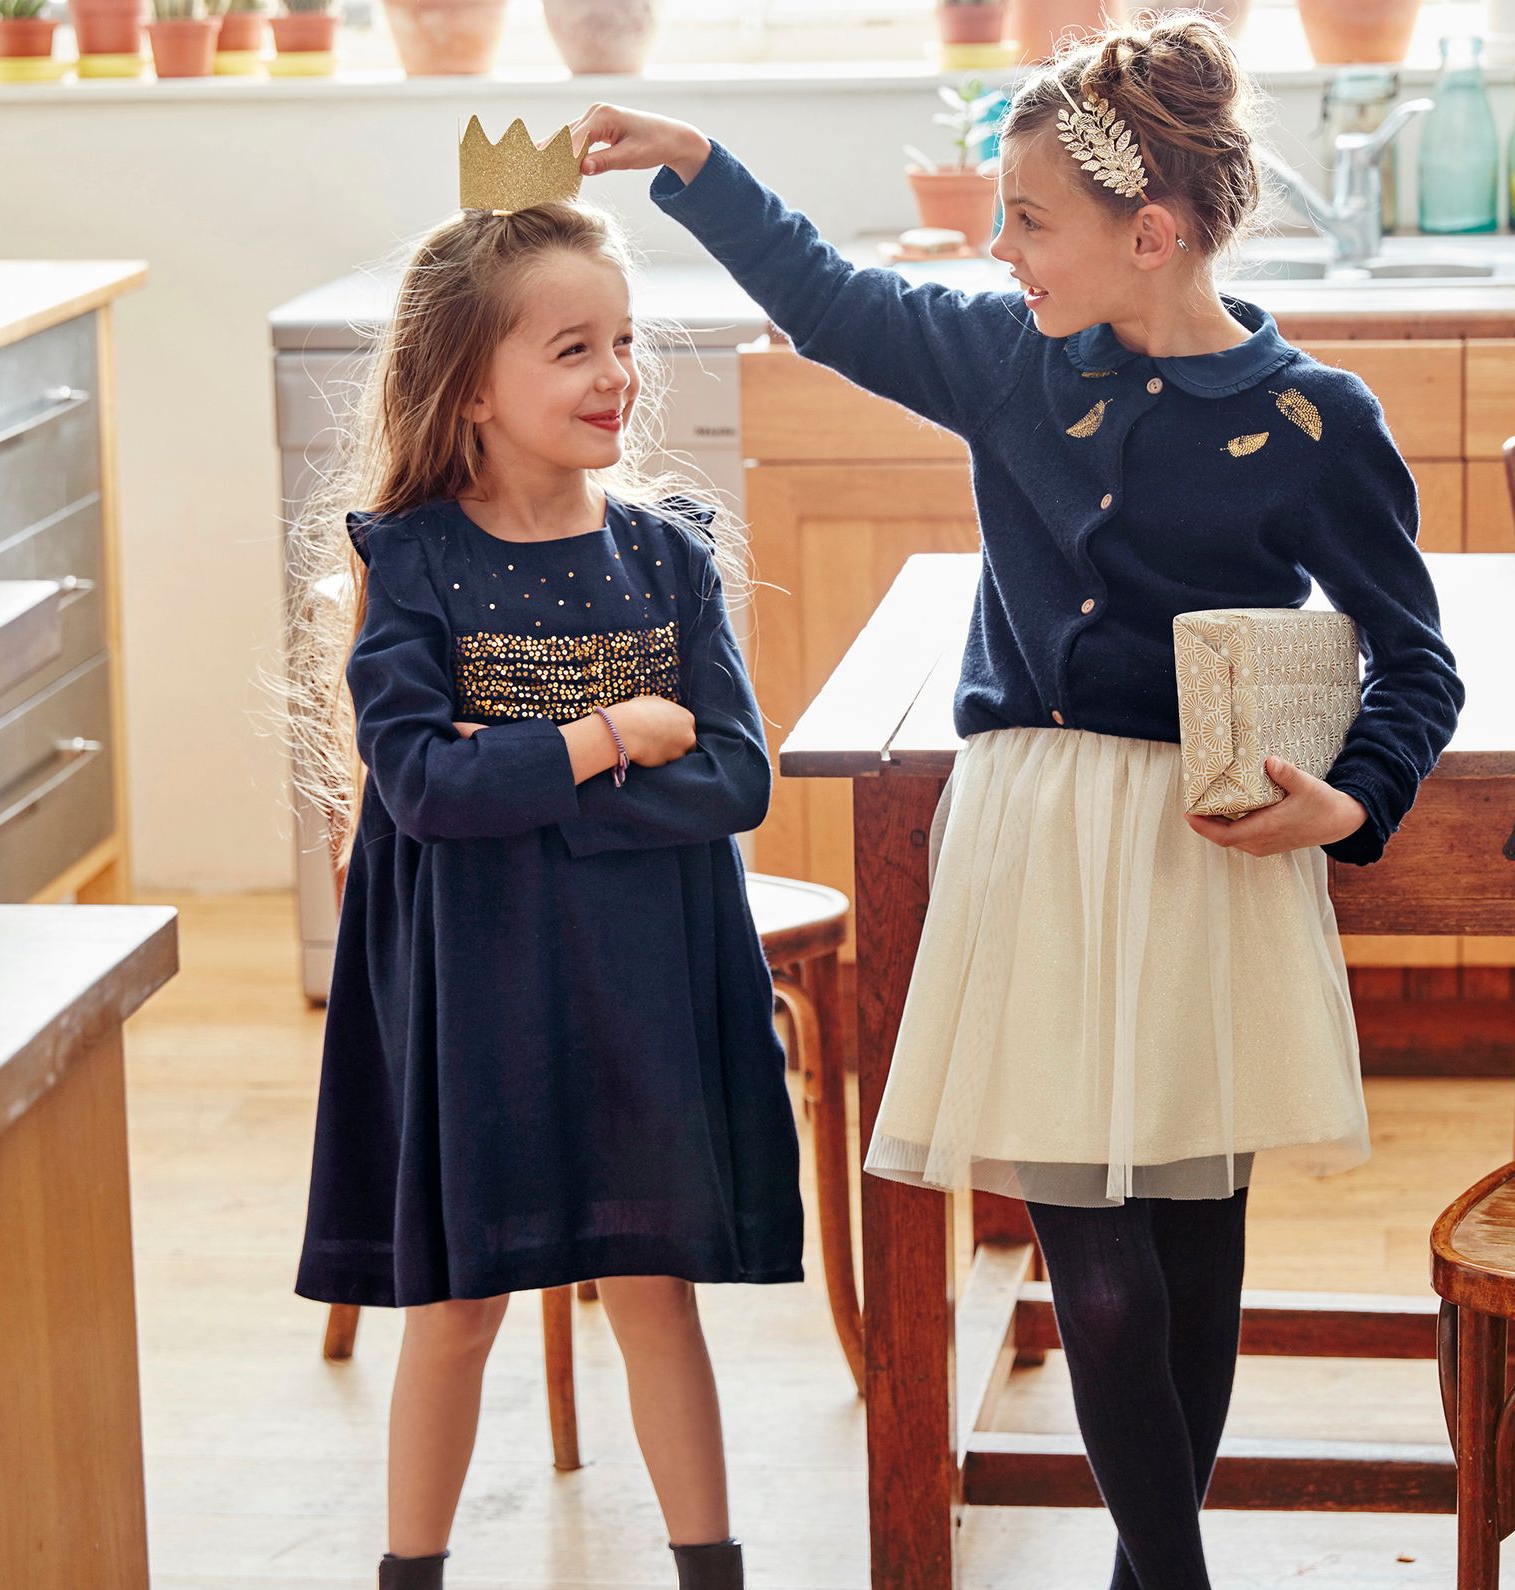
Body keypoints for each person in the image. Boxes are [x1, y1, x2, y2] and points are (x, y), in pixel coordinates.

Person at [573, 15, 1463, 1585]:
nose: (1000, 247)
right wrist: (698, 170)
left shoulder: (1318, 426)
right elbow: (832, 300)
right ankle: (1175, 1577)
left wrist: (1350, 805)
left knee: (1194, 1262)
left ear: (1154, 232)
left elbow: (1414, 661)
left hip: (1210, 869)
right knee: (1098, 1253)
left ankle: (1145, 1574)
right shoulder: (1009, 363)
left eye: (1029, 219)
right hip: (1041, 847)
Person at [284, 178, 802, 1590]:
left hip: (641, 993)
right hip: (480, 999)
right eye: (571, 347)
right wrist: (609, 738)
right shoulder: (415, 568)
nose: (617, 373)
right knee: (456, 1311)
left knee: (653, 1291)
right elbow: (423, 790)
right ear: (468, 387)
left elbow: (739, 777)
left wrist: (526, 787)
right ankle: (412, 1569)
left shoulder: (667, 556)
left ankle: (712, 1567)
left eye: (623, 339)